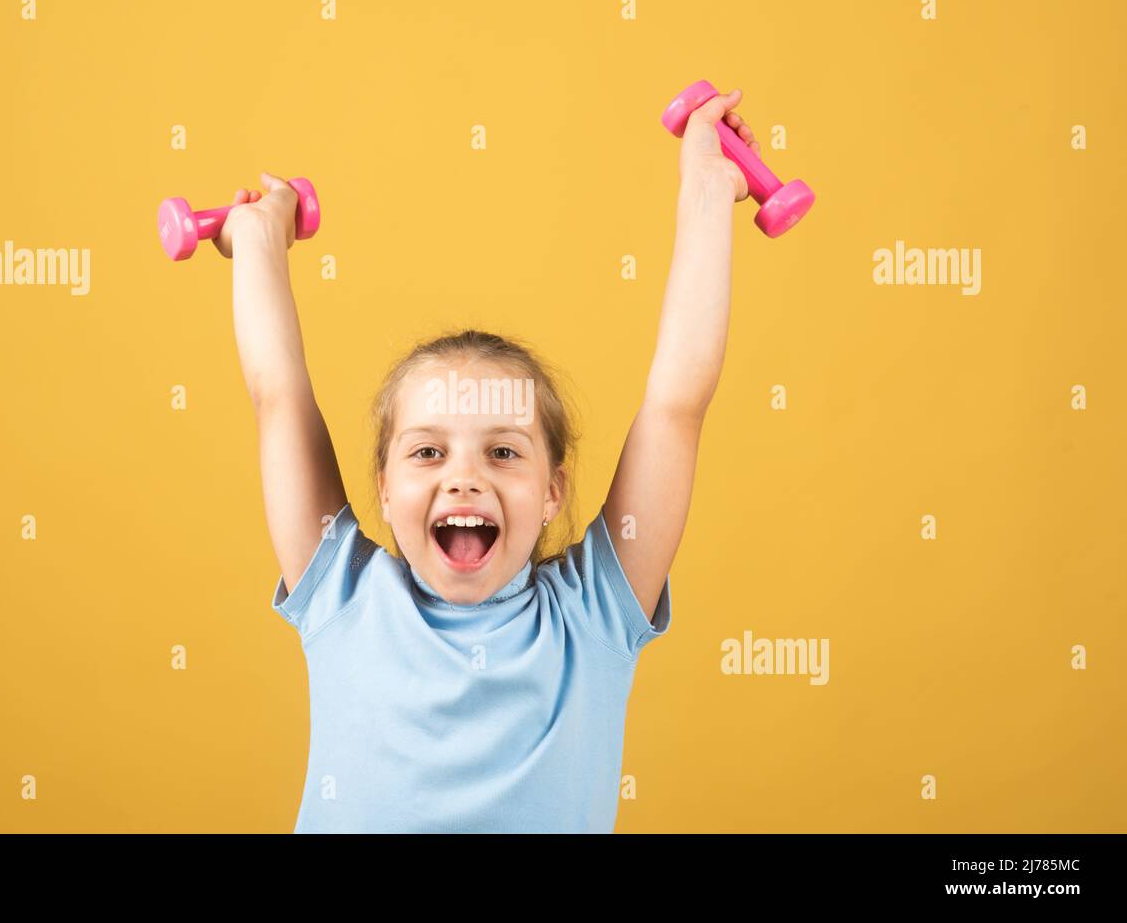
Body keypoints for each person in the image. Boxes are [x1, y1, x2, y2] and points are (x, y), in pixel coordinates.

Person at [212, 89, 758, 832]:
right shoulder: (342, 590)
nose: (463, 475)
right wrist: (259, 239)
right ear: (383, 484)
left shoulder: (594, 613)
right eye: (429, 450)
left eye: (502, 451)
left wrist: (707, 191)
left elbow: (676, 403)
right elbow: (277, 393)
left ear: (552, 490)